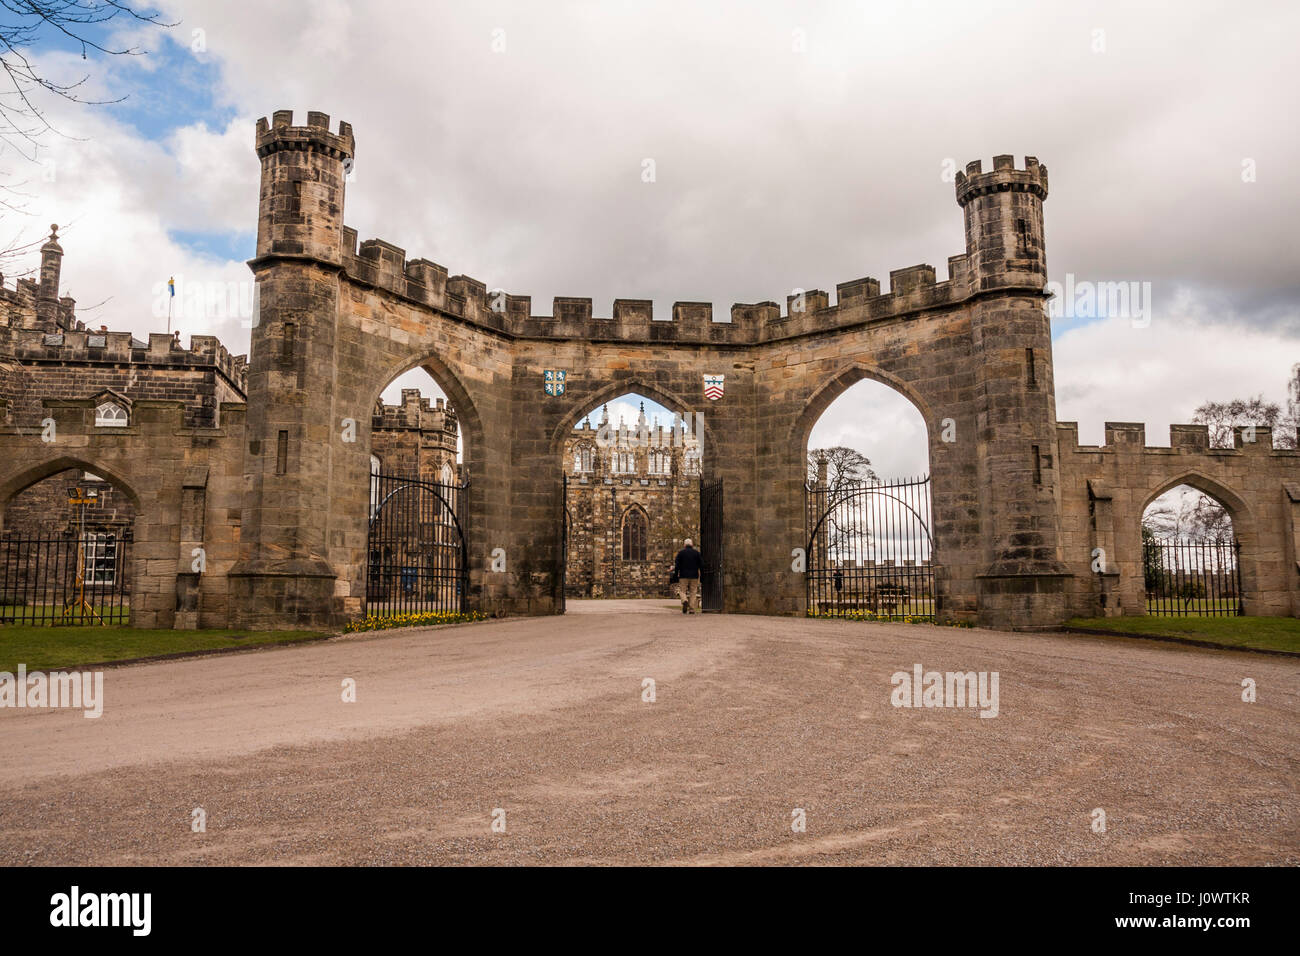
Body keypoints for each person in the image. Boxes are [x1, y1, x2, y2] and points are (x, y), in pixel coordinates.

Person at [673, 538, 703, 614]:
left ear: (684, 545)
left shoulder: (681, 553)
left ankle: (684, 600)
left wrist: (676, 574)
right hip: (694, 576)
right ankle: (692, 609)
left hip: (683, 575)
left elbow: (677, 565)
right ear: (692, 544)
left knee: (682, 590)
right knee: (693, 592)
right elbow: (701, 564)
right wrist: (701, 575)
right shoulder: (696, 553)